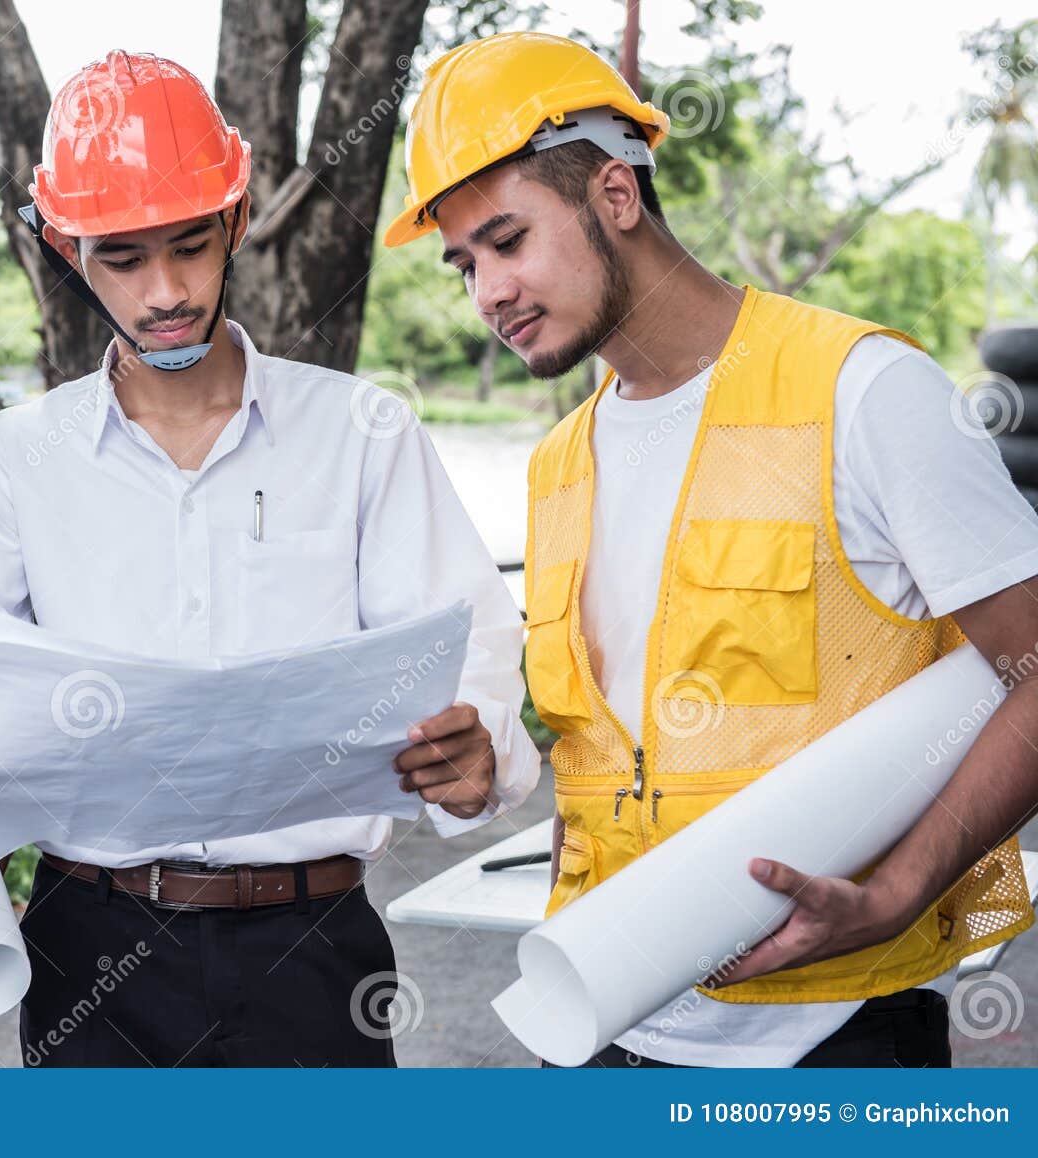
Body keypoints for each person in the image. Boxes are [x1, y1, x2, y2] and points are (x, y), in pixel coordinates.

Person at [389, 30, 1038, 1067]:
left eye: (507, 241)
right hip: (606, 1021)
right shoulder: (560, 465)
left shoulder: (860, 392)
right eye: (463, 263)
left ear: (614, 195)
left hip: (832, 1041)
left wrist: (900, 887)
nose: (487, 293)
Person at [0, 50, 540, 1067]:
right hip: (87, 949)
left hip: (315, 949)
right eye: (122, 259)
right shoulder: (13, 462)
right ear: (63, 247)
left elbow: (471, 654)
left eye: (190, 246)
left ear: (235, 220)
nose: (166, 294)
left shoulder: (362, 433)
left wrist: (478, 746)